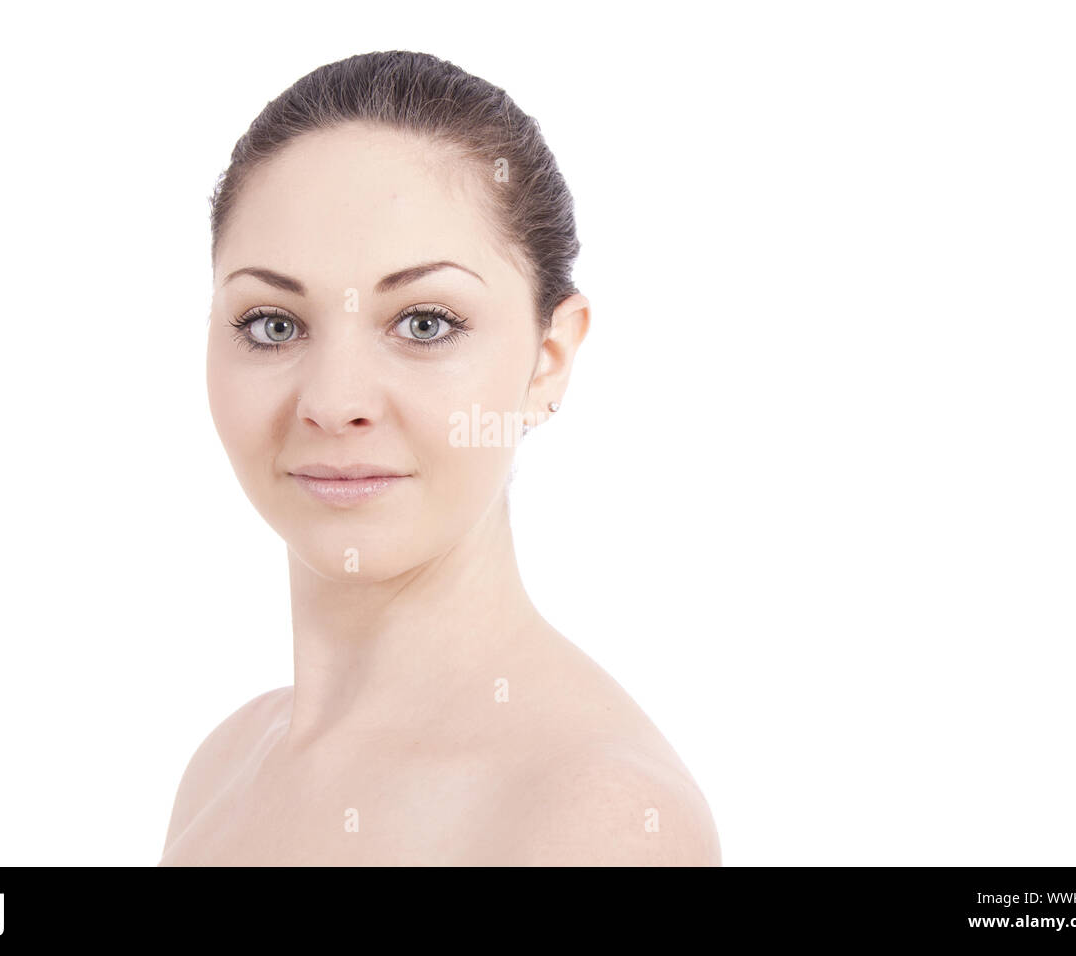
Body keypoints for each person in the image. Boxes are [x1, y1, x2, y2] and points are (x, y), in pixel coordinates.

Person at [160, 50, 721, 866]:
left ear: (550, 356)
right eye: (273, 324)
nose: (333, 399)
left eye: (424, 322)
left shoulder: (596, 821)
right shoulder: (221, 770)